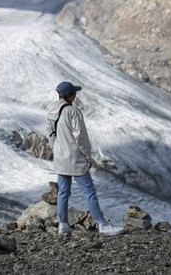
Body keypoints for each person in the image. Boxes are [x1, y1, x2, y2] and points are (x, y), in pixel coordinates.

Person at [47, 81, 123, 236]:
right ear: (70, 95)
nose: (76, 95)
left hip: (61, 157)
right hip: (75, 157)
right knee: (89, 192)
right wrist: (88, 157)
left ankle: (63, 224)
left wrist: (57, 151)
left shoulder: (51, 110)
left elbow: (51, 135)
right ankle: (102, 224)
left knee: (63, 192)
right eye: (74, 93)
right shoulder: (72, 111)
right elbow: (80, 137)